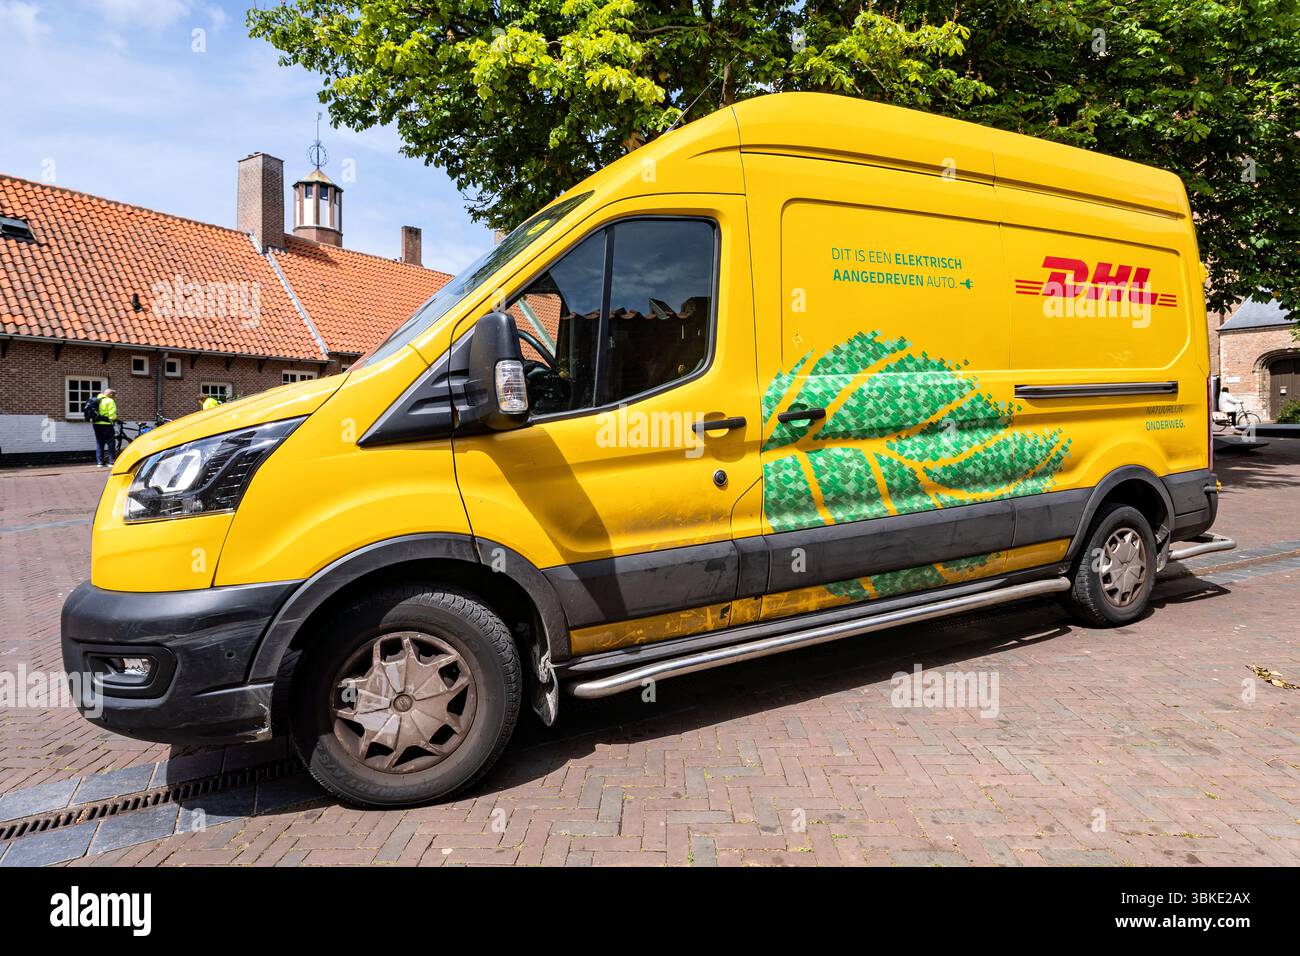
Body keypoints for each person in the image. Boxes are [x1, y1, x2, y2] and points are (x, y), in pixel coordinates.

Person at [90, 387, 117, 468]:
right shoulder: (110, 401)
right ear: (110, 394)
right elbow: (112, 414)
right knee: (111, 442)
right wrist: (114, 420)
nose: (114, 397)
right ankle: (111, 462)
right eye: (114, 395)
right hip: (107, 424)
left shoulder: (96, 400)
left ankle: (100, 462)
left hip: (96, 424)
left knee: (99, 443)